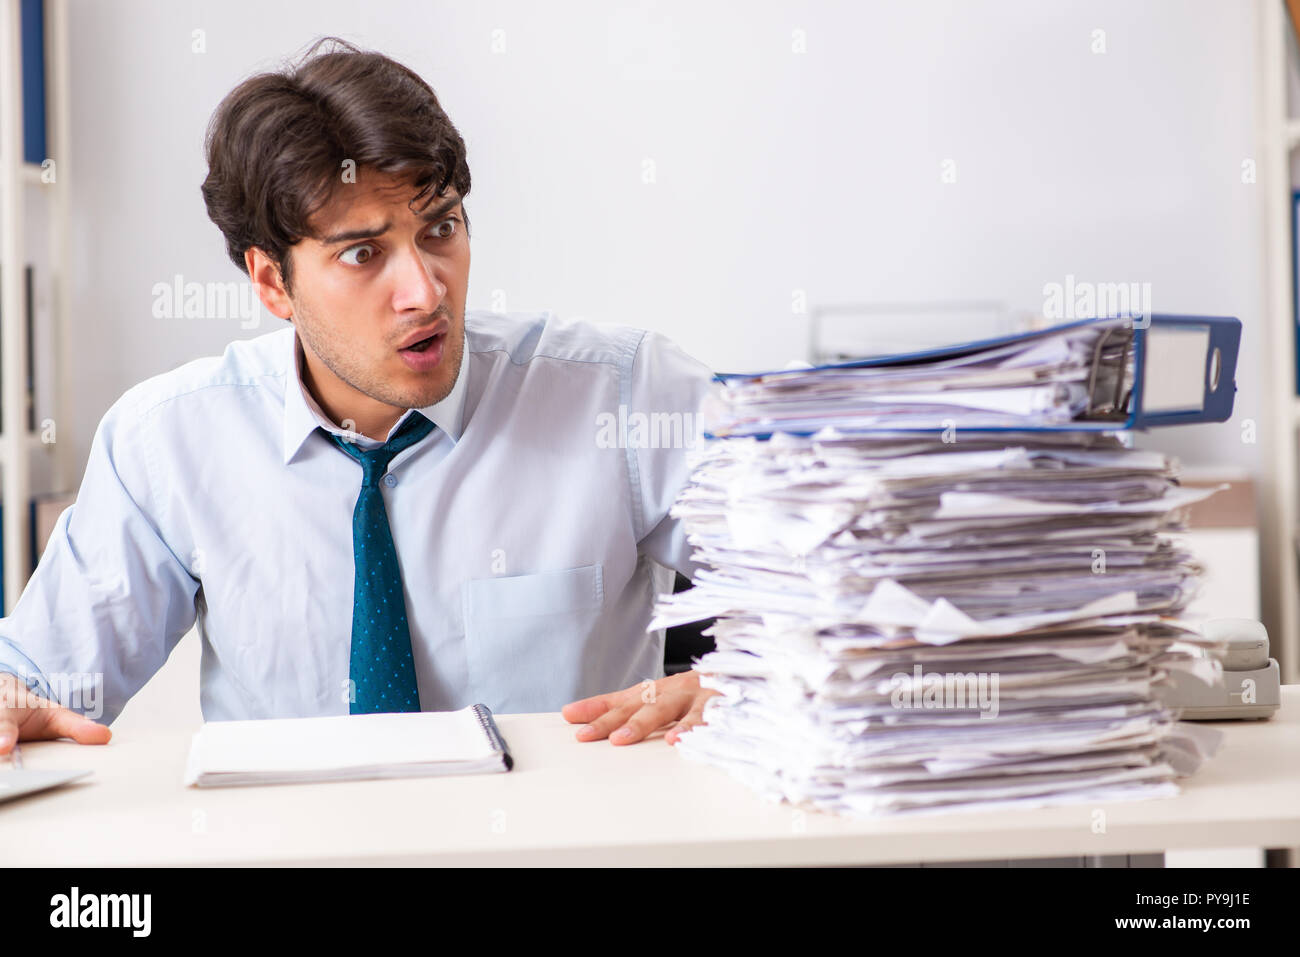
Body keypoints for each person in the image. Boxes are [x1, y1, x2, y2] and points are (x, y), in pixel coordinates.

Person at [0, 37, 718, 756]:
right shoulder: (169, 441)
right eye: (362, 253)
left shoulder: (624, 396)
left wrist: (746, 681)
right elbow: (35, 681)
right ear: (273, 283)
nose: (426, 290)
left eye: (440, 228)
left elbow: (826, 591)